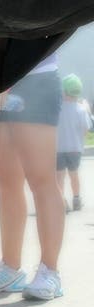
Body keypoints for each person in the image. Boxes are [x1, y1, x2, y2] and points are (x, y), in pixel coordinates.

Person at [0, 56, 66, 301]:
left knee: (41, 179)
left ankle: (50, 271)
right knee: (6, 181)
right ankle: (10, 267)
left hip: (35, 76)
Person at [56, 74, 91, 211]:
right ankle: (76, 199)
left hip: (59, 149)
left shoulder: (57, 109)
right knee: (74, 175)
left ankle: (62, 201)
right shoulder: (81, 109)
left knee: (59, 177)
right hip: (75, 149)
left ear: (63, 91)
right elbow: (86, 130)